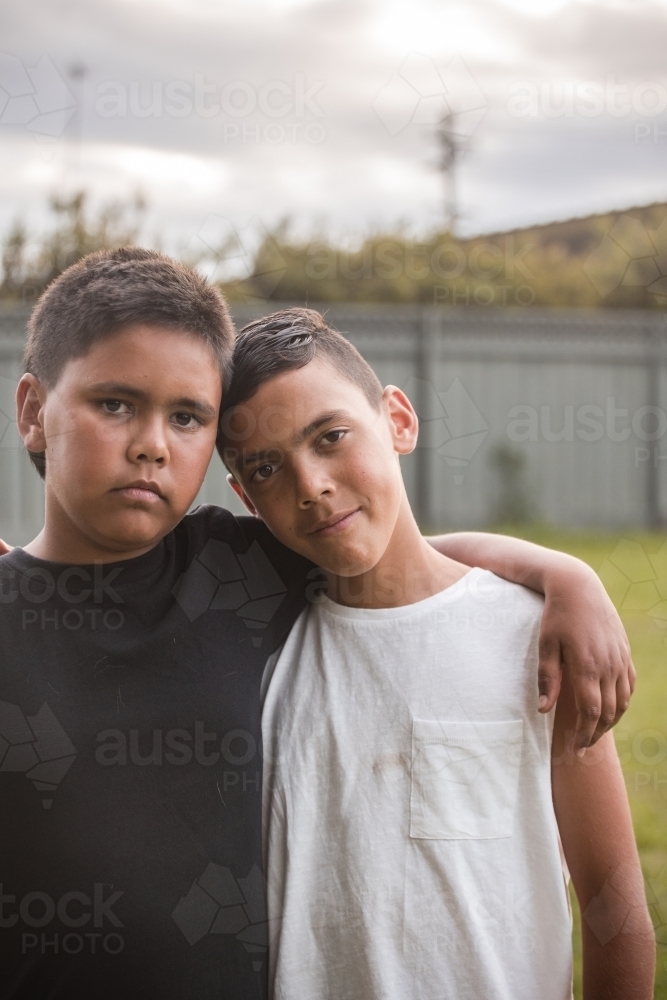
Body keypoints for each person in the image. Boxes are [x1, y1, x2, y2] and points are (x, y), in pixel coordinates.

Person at [0, 252, 636, 1000]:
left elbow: (395, 559)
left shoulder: (230, 570)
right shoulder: (231, 584)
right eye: (114, 405)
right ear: (33, 412)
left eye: (185, 417)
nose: (151, 443)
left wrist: (567, 576)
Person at [219, 308, 655, 1000]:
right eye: (267, 468)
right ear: (245, 499)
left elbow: (612, 907)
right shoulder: (253, 651)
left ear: (397, 420)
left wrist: (569, 576)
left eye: (330, 436)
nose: (310, 485)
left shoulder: (535, 639)